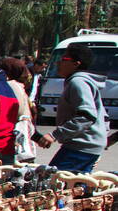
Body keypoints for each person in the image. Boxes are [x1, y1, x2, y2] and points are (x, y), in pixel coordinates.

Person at [38, 42, 106, 173]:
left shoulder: (78, 82)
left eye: (63, 59)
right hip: (87, 145)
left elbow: (87, 115)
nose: (58, 63)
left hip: (81, 146)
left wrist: (54, 135)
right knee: (76, 189)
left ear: (76, 64)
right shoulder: (78, 81)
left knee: (53, 184)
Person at [1, 57, 37, 163]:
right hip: (24, 138)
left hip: (13, 140)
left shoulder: (11, 85)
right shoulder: (21, 86)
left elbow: (18, 112)